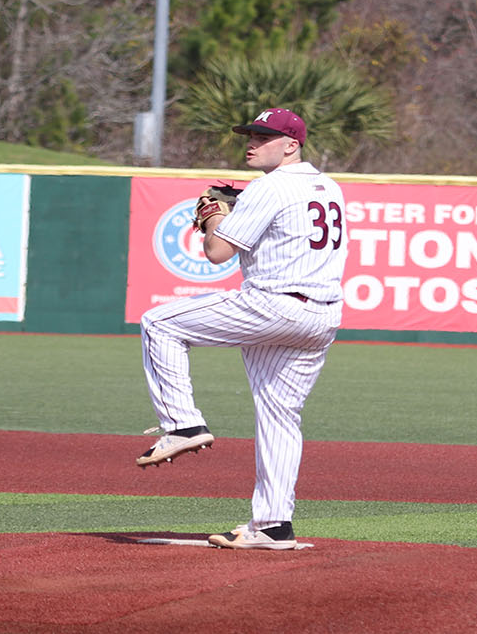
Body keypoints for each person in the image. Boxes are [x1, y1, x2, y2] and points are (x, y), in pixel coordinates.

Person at [137, 108, 349, 550]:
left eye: (264, 136)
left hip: (274, 304)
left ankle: (182, 424)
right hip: (322, 316)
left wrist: (213, 214)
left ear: (290, 144)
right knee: (279, 414)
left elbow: (216, 252)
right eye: (250, 134)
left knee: (159, 322)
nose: (251, 142)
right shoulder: (329, 186)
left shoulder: (269, 187)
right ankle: (273, 525)